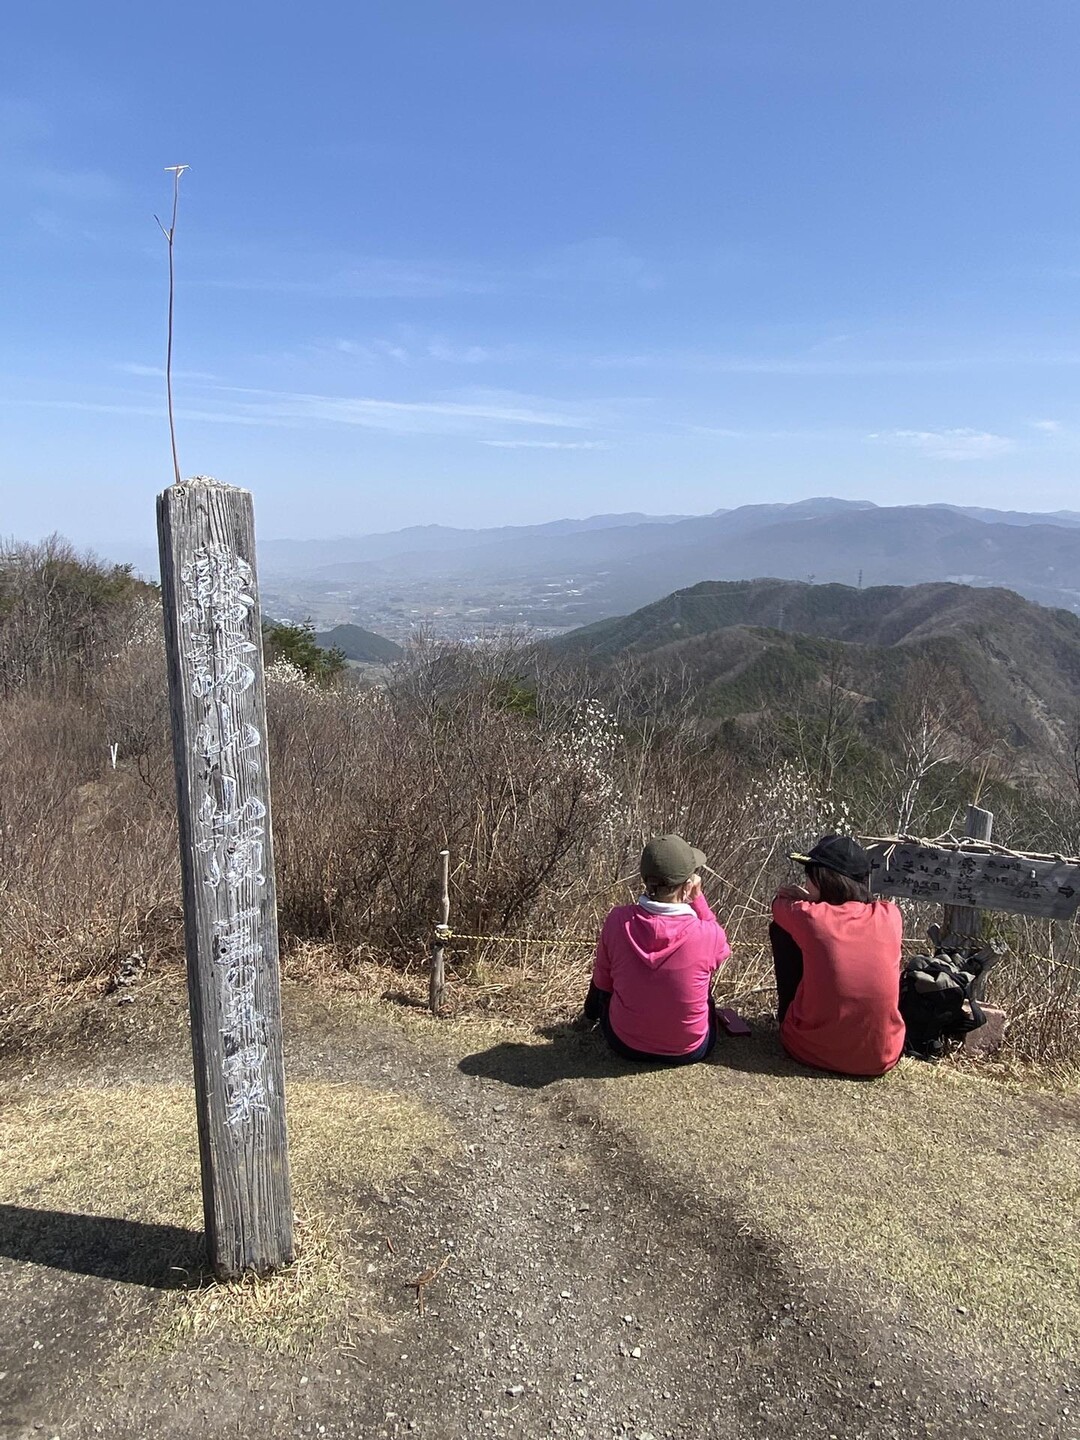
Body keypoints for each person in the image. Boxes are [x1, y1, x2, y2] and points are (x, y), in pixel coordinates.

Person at [584, 834, 731, 1063]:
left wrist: (592, 1012)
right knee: (705, 991)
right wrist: (698, 900)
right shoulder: (707, 934)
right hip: (688, 1050)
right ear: (688, 886)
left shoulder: (617, 920)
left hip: (624, 1042)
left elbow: (603, 981)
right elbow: (723, 950)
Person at [770, 835, 904, 1077]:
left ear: (822, 879)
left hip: (808, 1049)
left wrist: (806, 899)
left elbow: (778, 906)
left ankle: (799, 1023)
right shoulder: (890, 916)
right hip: (881, 1057)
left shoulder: (812, 918)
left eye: (809, 876)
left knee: (782, 930)